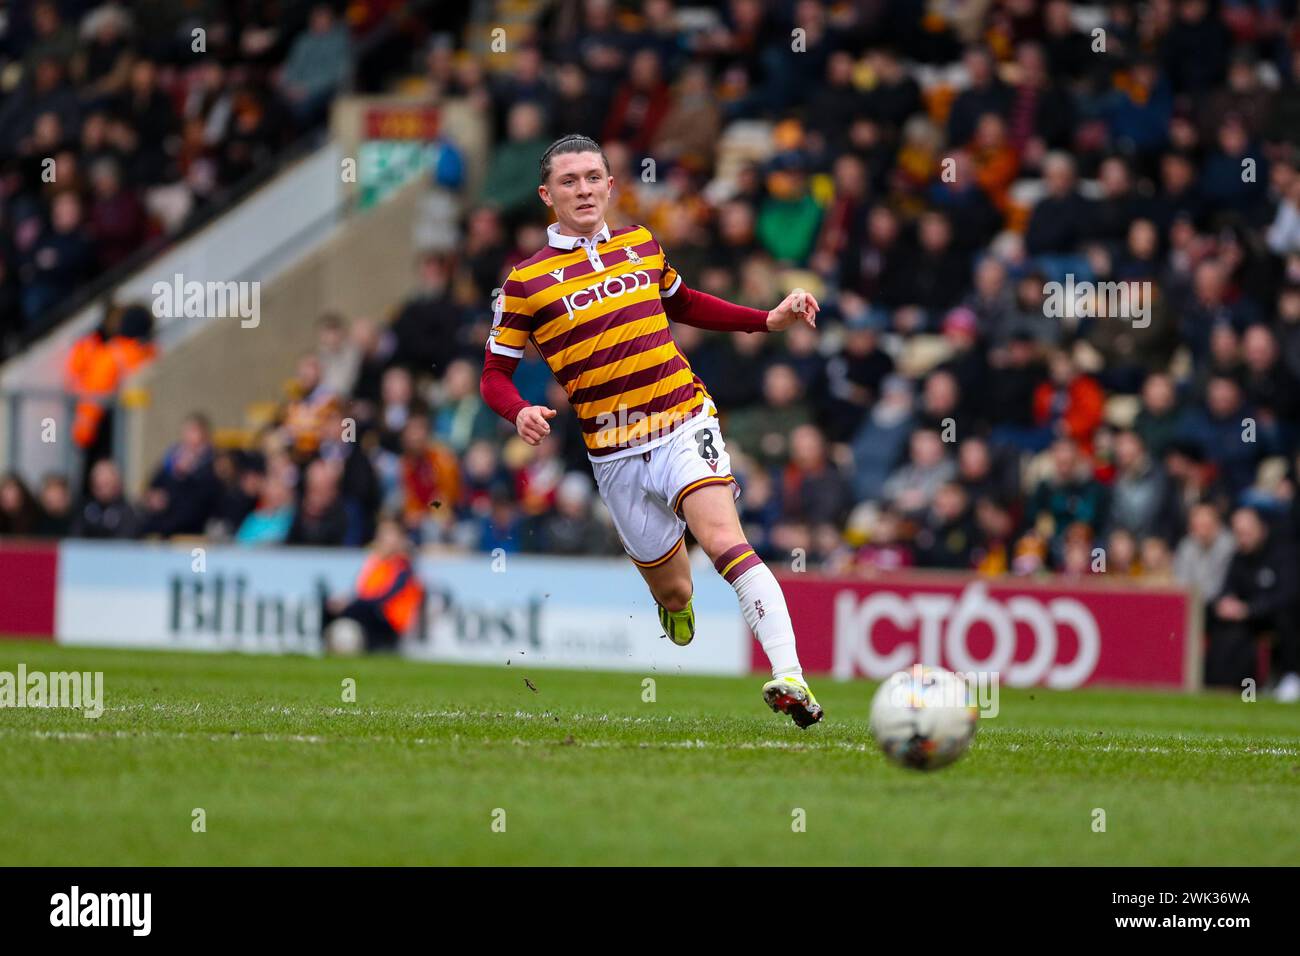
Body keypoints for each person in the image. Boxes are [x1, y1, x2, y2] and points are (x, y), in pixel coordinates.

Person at [479, 134, 824, 727]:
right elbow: (493, 374)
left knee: (724, 541)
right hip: (612, 451)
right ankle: (674, 603)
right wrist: (518, 411)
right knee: (677, 593)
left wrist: (765, 320)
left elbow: (684, 302)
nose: (583, 189)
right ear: (546, 195)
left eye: (593, 177)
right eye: (569, 181)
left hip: (682, 418)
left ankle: (790, 676)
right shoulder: (524, 284)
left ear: (611, 185)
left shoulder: (641, 243)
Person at [322, 518, 423, 653]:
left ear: (400, 539)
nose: (383, 539)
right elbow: (362, 591)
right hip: (372, 611)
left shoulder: (403, 565)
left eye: (388, 534)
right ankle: (328, 644)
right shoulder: (375, 563)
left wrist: (352, 604)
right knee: (331, 606)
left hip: (390, 622)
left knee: (360, 608)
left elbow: (384, 597)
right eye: (381, 534)